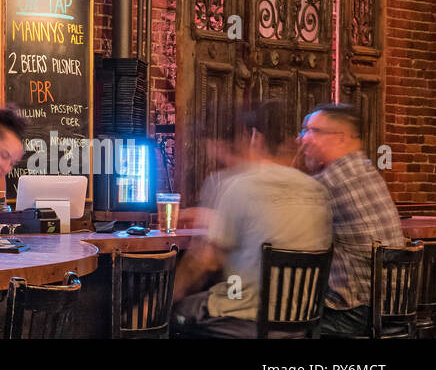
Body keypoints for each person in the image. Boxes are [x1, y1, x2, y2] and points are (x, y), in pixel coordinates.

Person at [171, 102, 331, 337]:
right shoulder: (317, 190)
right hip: (301, 323)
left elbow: (207, 262)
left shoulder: (241, 186)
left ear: (255, 137)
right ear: (293, 143)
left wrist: (165, 295)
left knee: (175, 311)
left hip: (245, 321)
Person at [298, 103, 404, 338]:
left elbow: (284, 234)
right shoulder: (365, 170)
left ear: (341, 138)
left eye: (313, 131)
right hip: (393, 309)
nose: (304, 139)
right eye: (304, 130)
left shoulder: (330, 182)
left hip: (355, 315)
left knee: (275, 322)